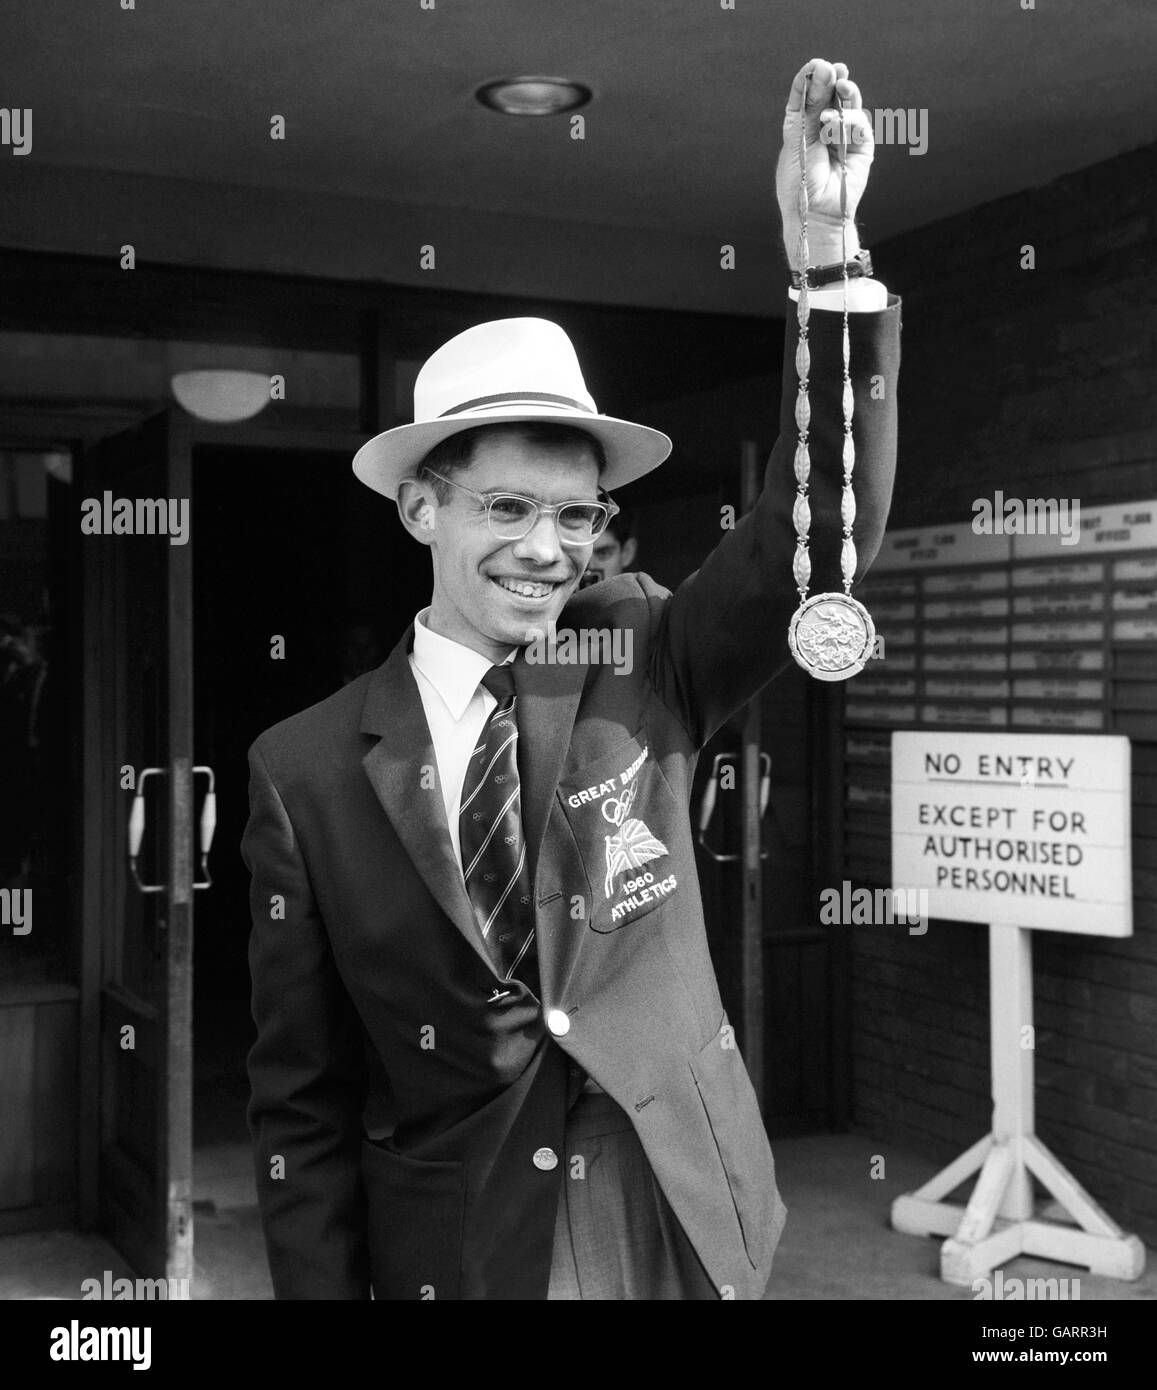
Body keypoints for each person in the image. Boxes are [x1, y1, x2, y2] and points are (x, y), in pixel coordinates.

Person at [243, 58, 901, 1300]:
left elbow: (812, 544)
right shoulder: (303, 770)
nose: (548, 549)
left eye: (576, 515)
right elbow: (302, 1106)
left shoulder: (641, 647)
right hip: (465, 1243)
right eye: (504, 507)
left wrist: (824, 259)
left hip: (675, 1205)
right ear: (416, 507)